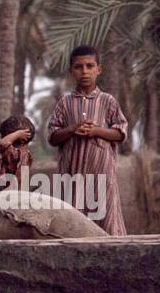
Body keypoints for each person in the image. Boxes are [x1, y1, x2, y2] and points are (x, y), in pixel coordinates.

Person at [47, 45, 128, 235]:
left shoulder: (108, 101)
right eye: (79, 67)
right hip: (71, 176)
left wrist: (97, 131)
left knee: (107, 222)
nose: (85, 71)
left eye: (90, 66)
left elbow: (121, 133)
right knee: (71, 223)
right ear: (71, 71)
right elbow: (53, 136)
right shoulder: (64, 103)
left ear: (99, 69)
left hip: (102, 174)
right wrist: (73, 128)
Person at [0, 114, 35, 193]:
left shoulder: (17, 154)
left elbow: (3, 143)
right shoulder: (21, 154)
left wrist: (18, 134)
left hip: (6, 198)